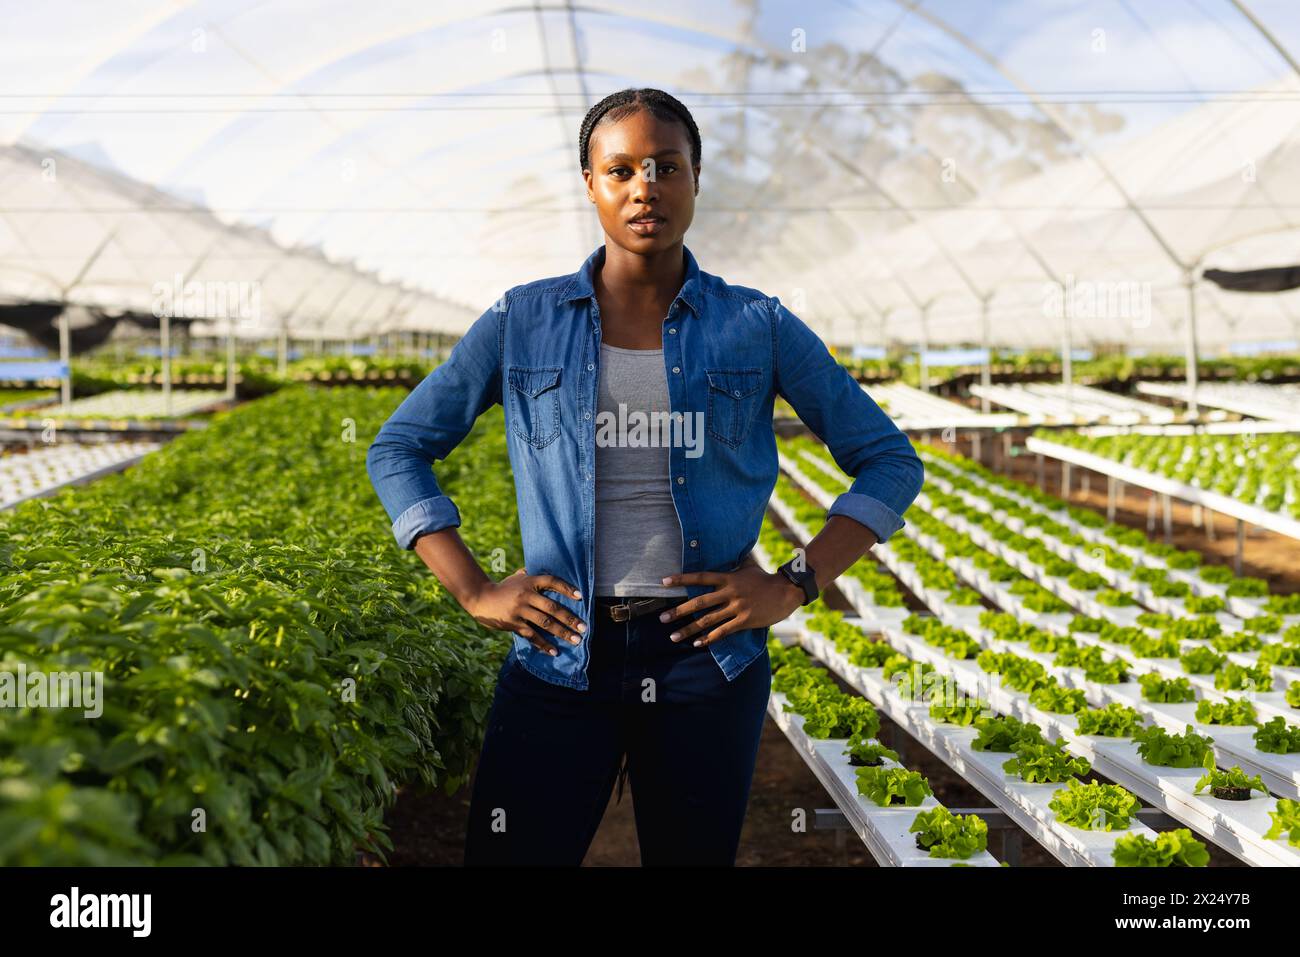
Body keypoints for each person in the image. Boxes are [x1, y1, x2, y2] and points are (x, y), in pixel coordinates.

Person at [365, 87, 924, 866]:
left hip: (706, 660)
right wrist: (474, 588)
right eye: (620, 169)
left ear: (696, 178)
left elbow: (890, 459)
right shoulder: (521, 320)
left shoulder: (756, 323)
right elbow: (398, 447)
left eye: (666, 166)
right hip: (560, 652)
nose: (644, 186)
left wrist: (794, 581)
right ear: (590, 183)